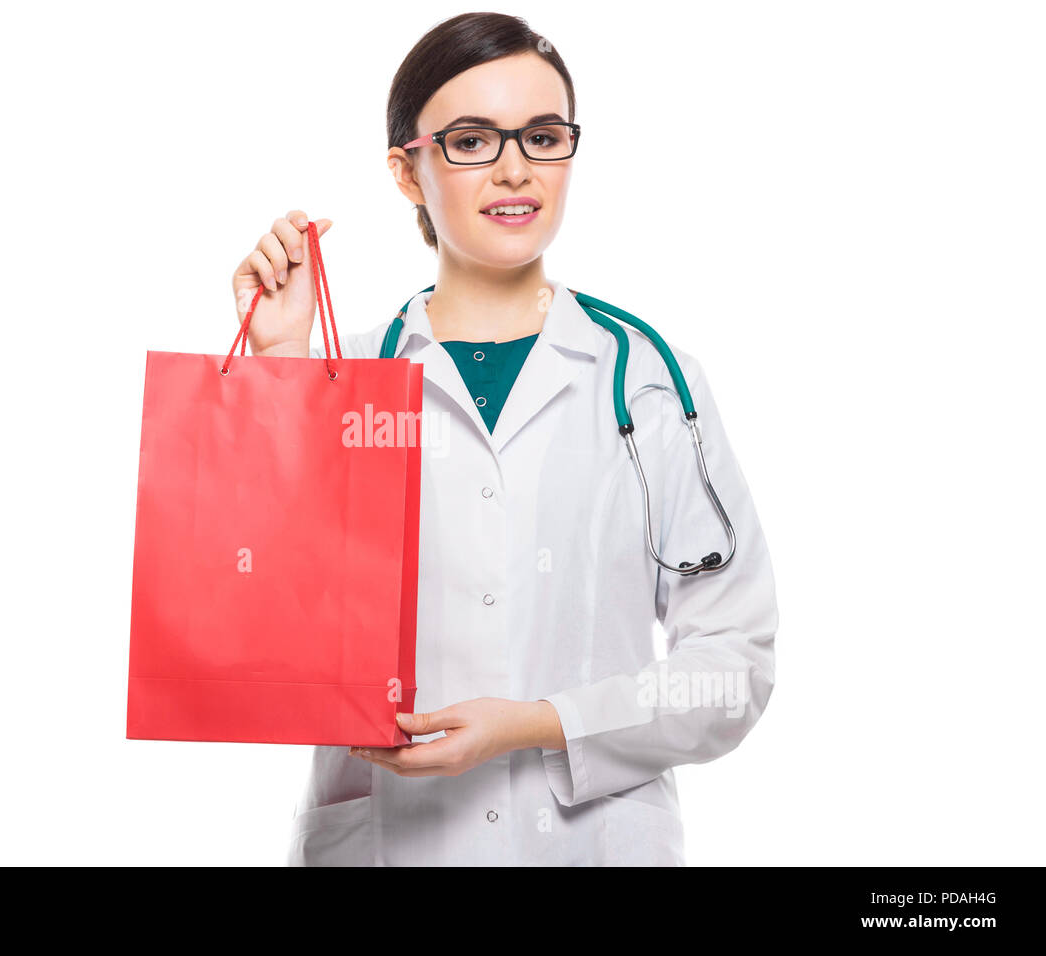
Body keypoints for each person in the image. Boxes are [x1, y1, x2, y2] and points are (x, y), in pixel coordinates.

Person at [230, 12, 778, 866]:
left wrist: (538, 725)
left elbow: (733, 666)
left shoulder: (648, 380)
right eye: (472, 140)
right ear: (408, 171)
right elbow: (261, 627)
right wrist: (281, 366)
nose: (515, 169)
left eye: (543, 136)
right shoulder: (346, 379)